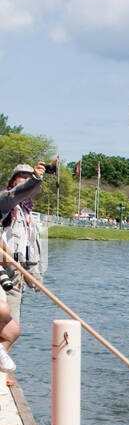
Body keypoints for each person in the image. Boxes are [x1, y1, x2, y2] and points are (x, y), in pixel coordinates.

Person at [0, 159, 53, 372]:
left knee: (11, 330)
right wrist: (36, 178)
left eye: (28, 176)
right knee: (2, 317)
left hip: (17, 275)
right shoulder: (5, 202)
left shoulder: (28, 213)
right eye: (22, 176)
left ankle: (1, 376)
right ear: (13, 181)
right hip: (2, 269)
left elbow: (31, 249)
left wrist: (36, 278)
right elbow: (18, 193)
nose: (26, 180)